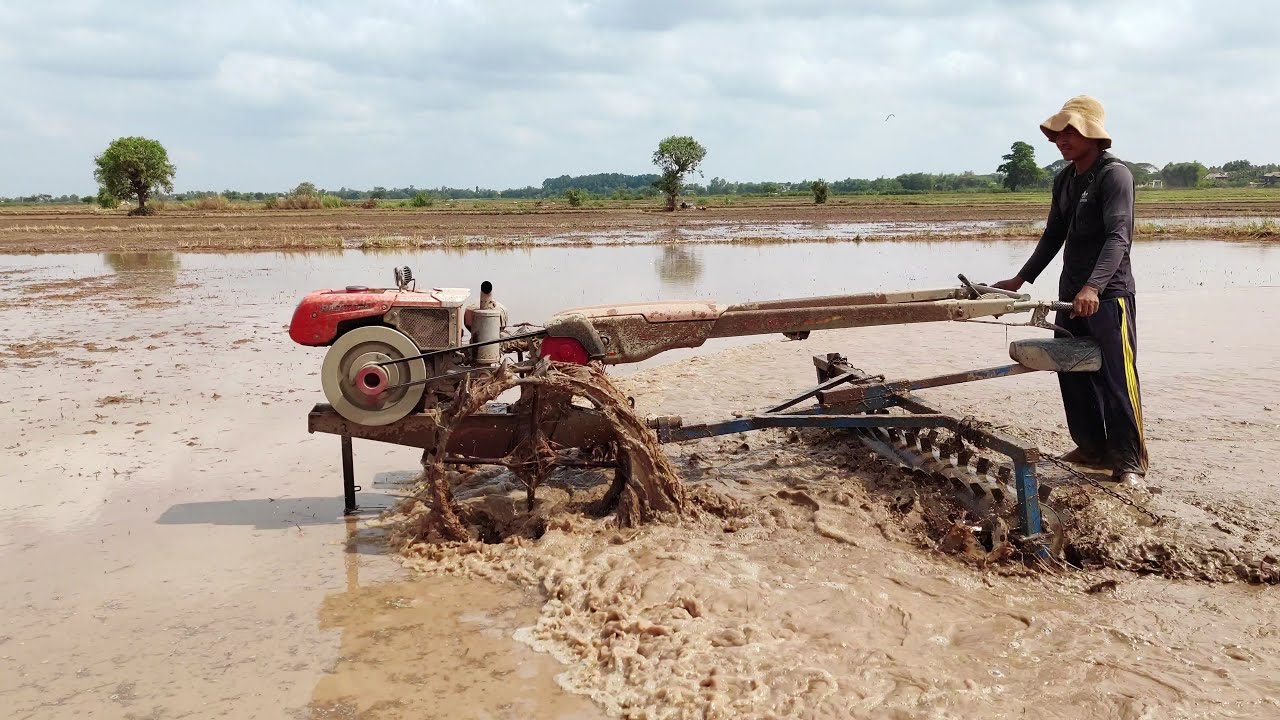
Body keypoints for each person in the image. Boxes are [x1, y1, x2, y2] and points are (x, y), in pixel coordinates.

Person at [991, 96, 1148, 488]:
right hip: (1071, 297)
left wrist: (1094, 286)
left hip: (1108, 297)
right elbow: (1053, 236)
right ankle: (1092, 447)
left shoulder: (1115, 176)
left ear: (1093, 135)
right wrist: (1020, 279)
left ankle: (1129, 461)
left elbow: (1118, 237)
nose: (1063, 139)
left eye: (1072, 131)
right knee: (1072, 372)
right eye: (1059, 132)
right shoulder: (1065, 179)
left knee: (1117, 378)